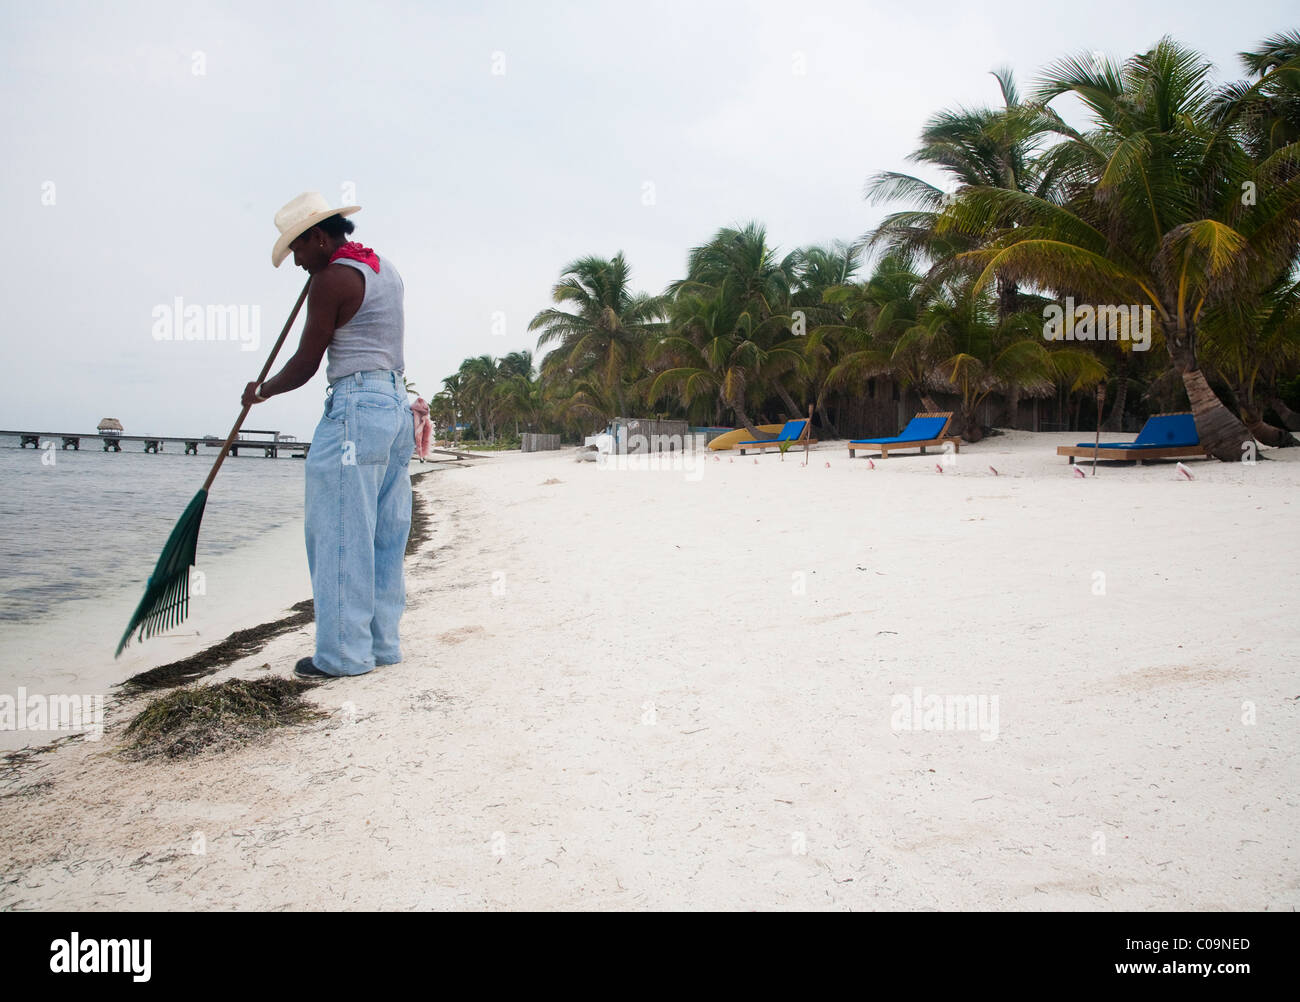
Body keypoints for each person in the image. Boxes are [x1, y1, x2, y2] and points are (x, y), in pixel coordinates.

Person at [242, 191, 412, 679]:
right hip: (395, 405)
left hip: (356, 406)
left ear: (318, 237)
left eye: (297, 250)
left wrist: (262, 391)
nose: (296, 262)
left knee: (339, 531)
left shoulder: (332, 278)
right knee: (383, 533)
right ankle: (380, 646)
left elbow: (304, 365)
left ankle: (341, 655)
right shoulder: (384, 268)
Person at [411, 396, 433, 461]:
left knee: (423, 440)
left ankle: (422, 456)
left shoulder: (416, 407)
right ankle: (421, 456)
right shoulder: (416, 408)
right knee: (419, 440)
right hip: (420, 424)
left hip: (423, 424)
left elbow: (427, 412)